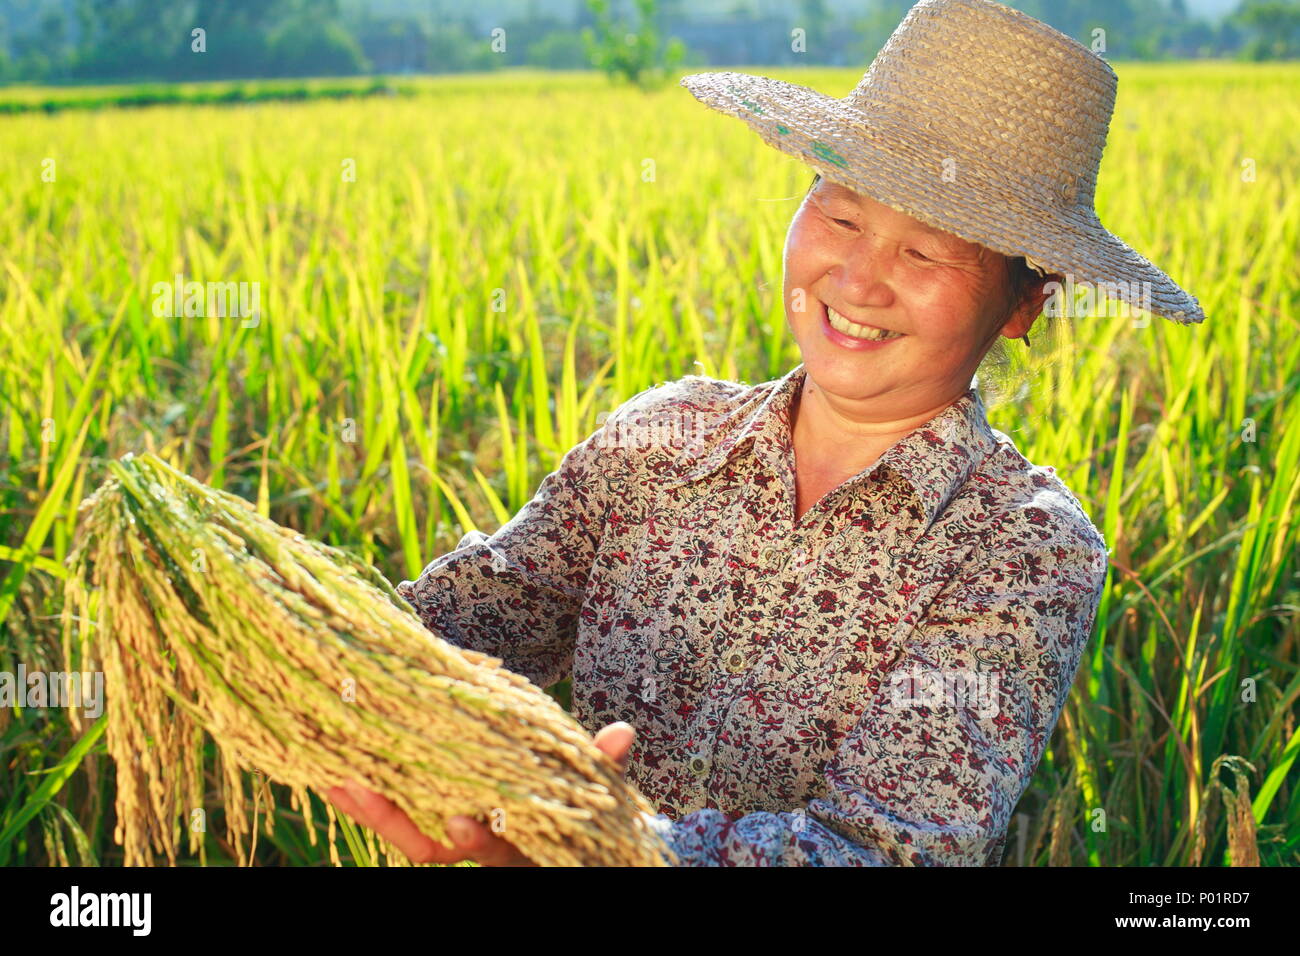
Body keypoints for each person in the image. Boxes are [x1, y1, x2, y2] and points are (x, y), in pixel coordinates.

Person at [327, 0, 1203, 866]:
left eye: (927, 252)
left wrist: (596, 850)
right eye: (843, 216)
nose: (858, 280)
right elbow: (475, 617)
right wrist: (300, 640)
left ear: (1021, 305)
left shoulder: (1021, 547)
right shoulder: (660, 437)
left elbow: (887, 849)